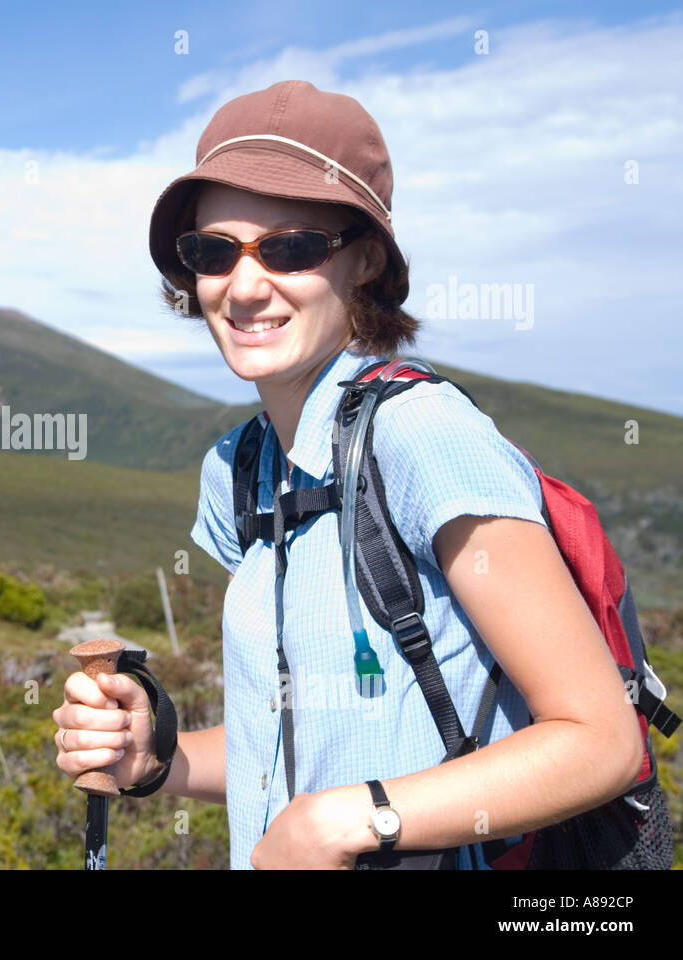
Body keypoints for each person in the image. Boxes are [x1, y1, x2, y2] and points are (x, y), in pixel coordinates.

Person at [51, 80, 643, 869]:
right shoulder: (239, 467)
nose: (246, 285)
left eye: (292, 247)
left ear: (365, 261)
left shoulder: (424, 435)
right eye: (214, 251)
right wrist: (153, 759)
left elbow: (598, 741)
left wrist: (357, 822)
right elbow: (301, 738)